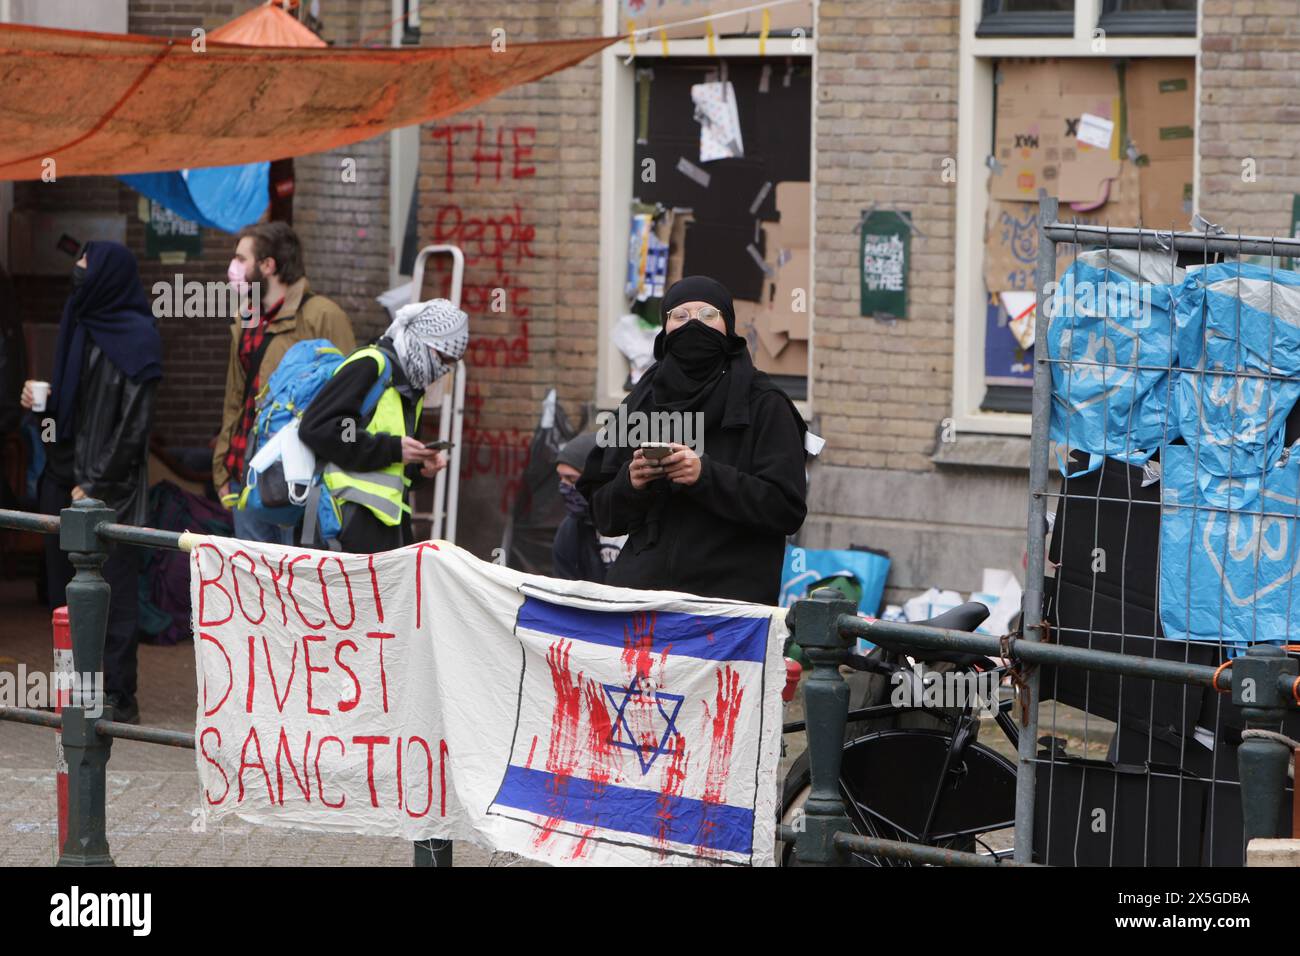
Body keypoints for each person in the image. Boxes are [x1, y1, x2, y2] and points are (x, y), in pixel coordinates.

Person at [577, 276, 808, 605]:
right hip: (641, 600)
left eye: (707, 315)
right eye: (680, 317)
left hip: (727, 605)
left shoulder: (764, 403)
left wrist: (705, 476)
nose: (693, 325)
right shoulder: (641, 401)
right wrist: (632, 482)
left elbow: (786, 509)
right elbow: (601, 513)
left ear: (727, 326)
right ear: (665, 328)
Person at [21, 241, 163, 724]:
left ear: (107, 273)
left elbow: (134, 427)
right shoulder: (78, 322)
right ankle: (74, 692)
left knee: (115, 595)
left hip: (110, 488)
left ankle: (120, 696)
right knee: (64, 591)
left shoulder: (138, 337)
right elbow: (71, 411)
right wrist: (41, 406)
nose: (77, 269)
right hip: (64, 475)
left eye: (86, 261)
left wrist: (96, 482)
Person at [213, 221, 355, 543]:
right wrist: (222, 465)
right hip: (246, 469)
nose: (233, 268)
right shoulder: (245, 317)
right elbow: (236, 397)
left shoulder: (322, 316)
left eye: (241, 259)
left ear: (268, 265)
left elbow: (350, 396)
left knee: (295, 574)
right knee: (251, 575)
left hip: (301, 471)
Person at [299, 298, 467, 552]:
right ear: (420, 342)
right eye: (443, 357)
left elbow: (389, 466)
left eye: (451, 362)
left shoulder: (411, 387)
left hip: (388, 531)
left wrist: (419, 466)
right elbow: (320, 428)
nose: (444, 368)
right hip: (342, 525)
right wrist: (395, 449)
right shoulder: (370, 365)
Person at [552, 431, 626, 583]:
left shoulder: (642, 525)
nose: (563, 487)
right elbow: (565, 587)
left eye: (571, 479)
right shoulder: (571, 529)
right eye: (560, 478)